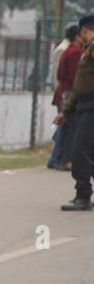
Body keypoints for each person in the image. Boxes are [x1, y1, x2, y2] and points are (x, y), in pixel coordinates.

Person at [57, 14, 94, 211]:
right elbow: (80, 87)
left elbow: (81, 86)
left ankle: (83, 195)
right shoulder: (88, 49)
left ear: (87, 30)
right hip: (85, 105)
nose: (83, 36)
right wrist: (67, 111)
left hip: (91, 108)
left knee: (80, 152)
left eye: (84, 32)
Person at [49, 23, 82, 170]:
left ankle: (56, 158)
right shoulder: (74, 52)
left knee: (64, 126)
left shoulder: (68, 50)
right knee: (69, 127)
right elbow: (75, 76)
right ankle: (62, 159)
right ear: (76, 36)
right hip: (68, 92)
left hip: (63, 91)